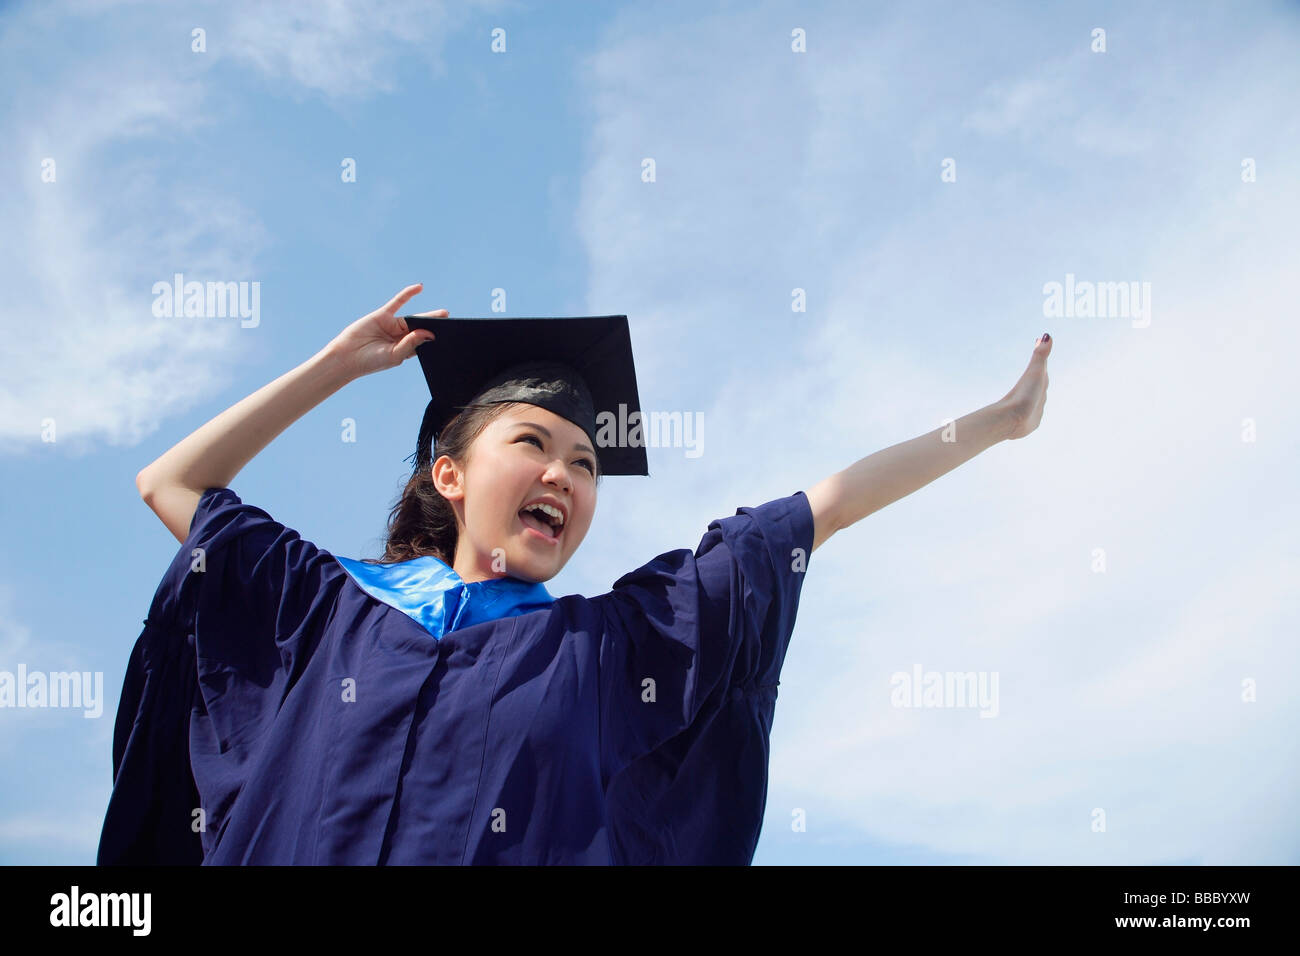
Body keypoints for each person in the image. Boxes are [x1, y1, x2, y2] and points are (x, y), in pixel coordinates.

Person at [97, 283, 1052, 865]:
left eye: (587, 463)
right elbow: (171, 482)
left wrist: (1000, 423)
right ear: (450, 475)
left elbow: (821, 509)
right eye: (534, 443)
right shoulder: (322, 611)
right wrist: (339, 366)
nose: (566, 474)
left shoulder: (607, 651)